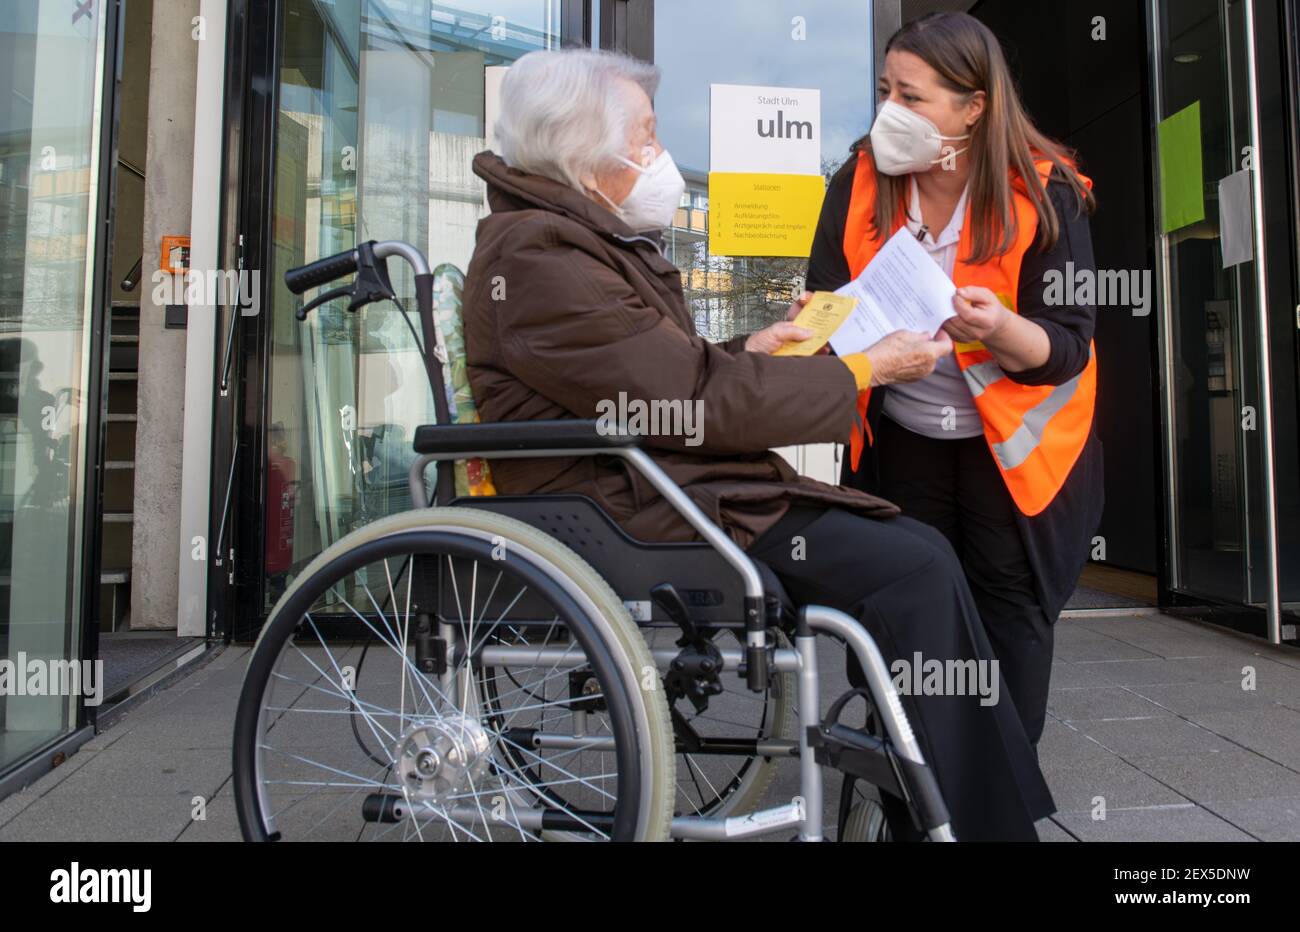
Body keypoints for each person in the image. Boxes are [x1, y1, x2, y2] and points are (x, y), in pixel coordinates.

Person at [462, 47, 1053, 840]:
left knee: (913, 559)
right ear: (585, 154)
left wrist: (753, 350)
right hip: (638, 510)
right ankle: (977, 822)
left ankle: (956, 806)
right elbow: (688, 402)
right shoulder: (543, 257)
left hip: (661, 488)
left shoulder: (568, 241)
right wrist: (865, 369)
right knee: (915, 566)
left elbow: (667, 380)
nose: (659, 153)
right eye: (645, 136)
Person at [807, 12, 1104, 747]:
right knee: (907, 607)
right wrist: (814, 330)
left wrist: (998, 328)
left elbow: (1066, 345)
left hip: (1016, 456)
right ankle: (916, 780)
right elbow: (825, 301)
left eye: (912, 97)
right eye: (884, 92)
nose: (889, 114)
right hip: (904, 437)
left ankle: (998, 783)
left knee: (1008, 611)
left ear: (973, 108)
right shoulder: (858, 181)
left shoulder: (1044, 190)